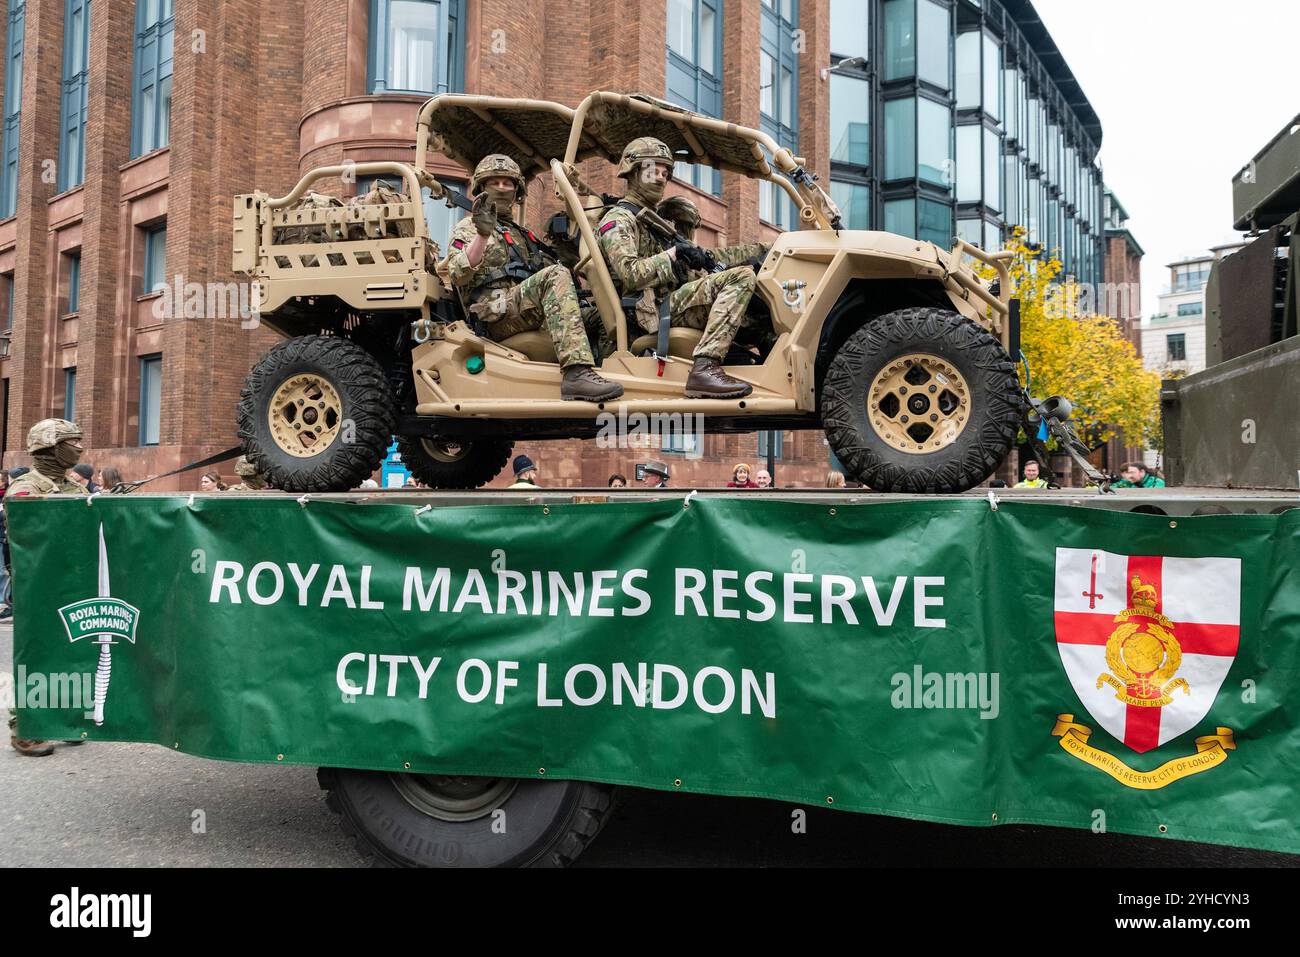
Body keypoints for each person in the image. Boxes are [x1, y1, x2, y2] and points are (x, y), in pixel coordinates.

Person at [445, 154, 622, 403]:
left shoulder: (524, 235)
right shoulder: (469, 227)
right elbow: (458, 272)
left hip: (527, 310)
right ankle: (576, 372)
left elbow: (559, 271)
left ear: (517, 190)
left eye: (508, 183)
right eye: (494, 182)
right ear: (481, 188)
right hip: (494, 311)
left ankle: (607, 373)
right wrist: (483, 235)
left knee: (605, 313)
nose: (502, 188)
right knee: (554, 276)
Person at [597, 136, 757, 399]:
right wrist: (674, 253)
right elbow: (631, 274)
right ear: (634, 172)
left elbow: (713, 255)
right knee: (740, 278)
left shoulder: (655, 222)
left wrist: (766, 250)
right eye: (653, 170)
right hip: (648, 310)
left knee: (757, 303)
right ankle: (705, 367)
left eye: (665, 172)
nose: (661, 177)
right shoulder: (619, 219)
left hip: (668, 302)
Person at [8, 419, 88, 757]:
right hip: (38, 588)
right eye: (73, 442)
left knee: (70, 653)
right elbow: (30, 538)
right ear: (52, 446)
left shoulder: (74, 488)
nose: (80, 448)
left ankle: (62, 718)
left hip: (71, 584)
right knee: (36, 656)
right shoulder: (25, 490)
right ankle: (24, 727)